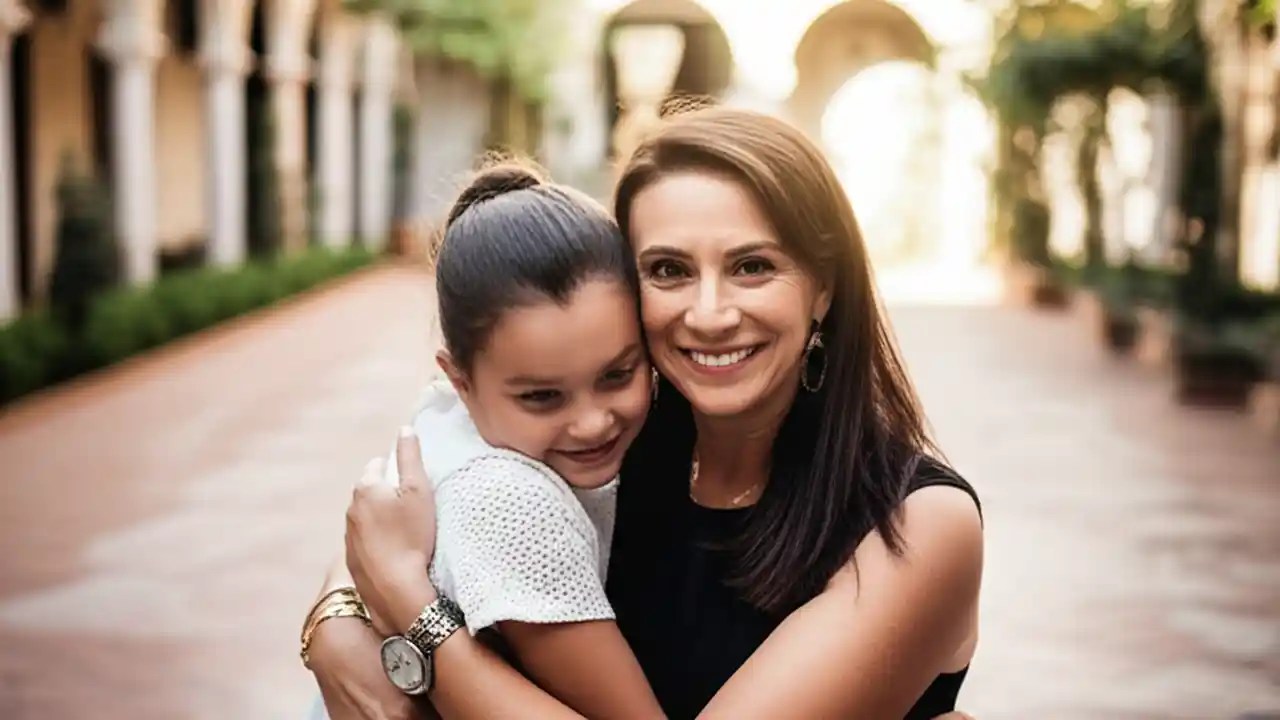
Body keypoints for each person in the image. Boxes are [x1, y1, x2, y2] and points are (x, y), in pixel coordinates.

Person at [307, 107, 984, 719]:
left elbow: (401, 567)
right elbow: (416, 509)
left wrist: (416, 618)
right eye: (668, 271)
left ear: (824, 287)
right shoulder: (611, 441)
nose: (711, 313)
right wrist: (334, 620)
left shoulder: (914, 524)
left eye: (752, 266)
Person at [301, 163, 666, 718]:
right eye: (543, 397)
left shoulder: (456, 421)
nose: (593, 422)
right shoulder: (508, 503)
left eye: (617, 375)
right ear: (460, 381)